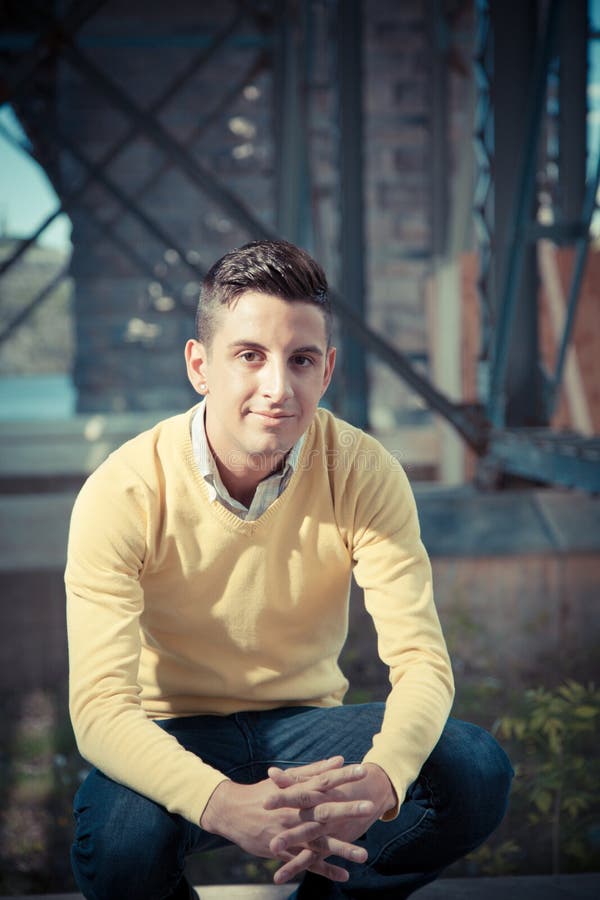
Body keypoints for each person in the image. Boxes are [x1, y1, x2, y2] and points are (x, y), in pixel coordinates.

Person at [66, 239, 512, 900]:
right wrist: (218, 801)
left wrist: (385, 776)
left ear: (326, 370)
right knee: (119, 845)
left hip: (310, 729)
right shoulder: (124, 490)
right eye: (249, 356)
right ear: (200, 365)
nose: (277, 387)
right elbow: (100, 709)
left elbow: (422, 661)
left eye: (300, 360)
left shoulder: (362, 470)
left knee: (472, 768)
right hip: (173, 731)